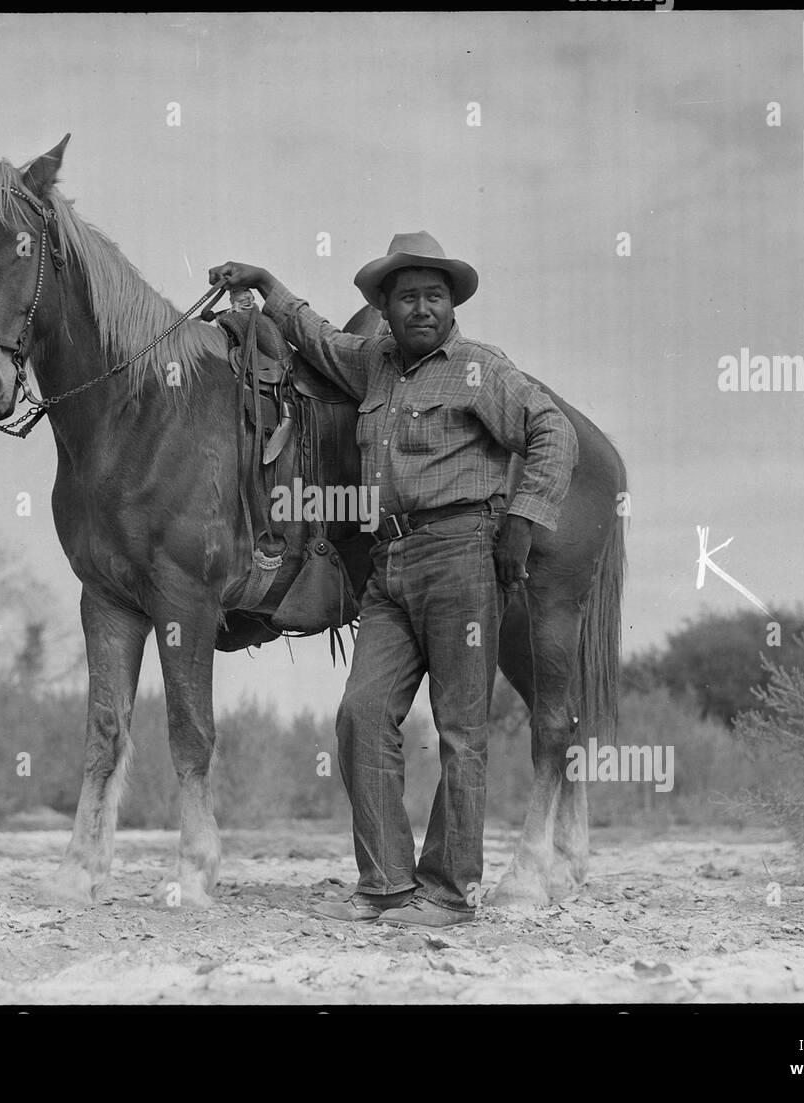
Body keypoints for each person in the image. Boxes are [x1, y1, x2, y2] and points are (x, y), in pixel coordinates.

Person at [209, 232, 578, 928]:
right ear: (384, 306)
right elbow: (313, 335)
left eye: (433, 295)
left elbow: (554, 431)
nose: (421, 308)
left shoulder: (477, 368)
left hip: (464, 555)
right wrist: (267, 281)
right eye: (406, 296)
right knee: (361, 713)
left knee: (460, 731)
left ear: (450, 304)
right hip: (390, 564)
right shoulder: (373, 365)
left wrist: (525, 518)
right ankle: (385, 883)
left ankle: (447, 892)